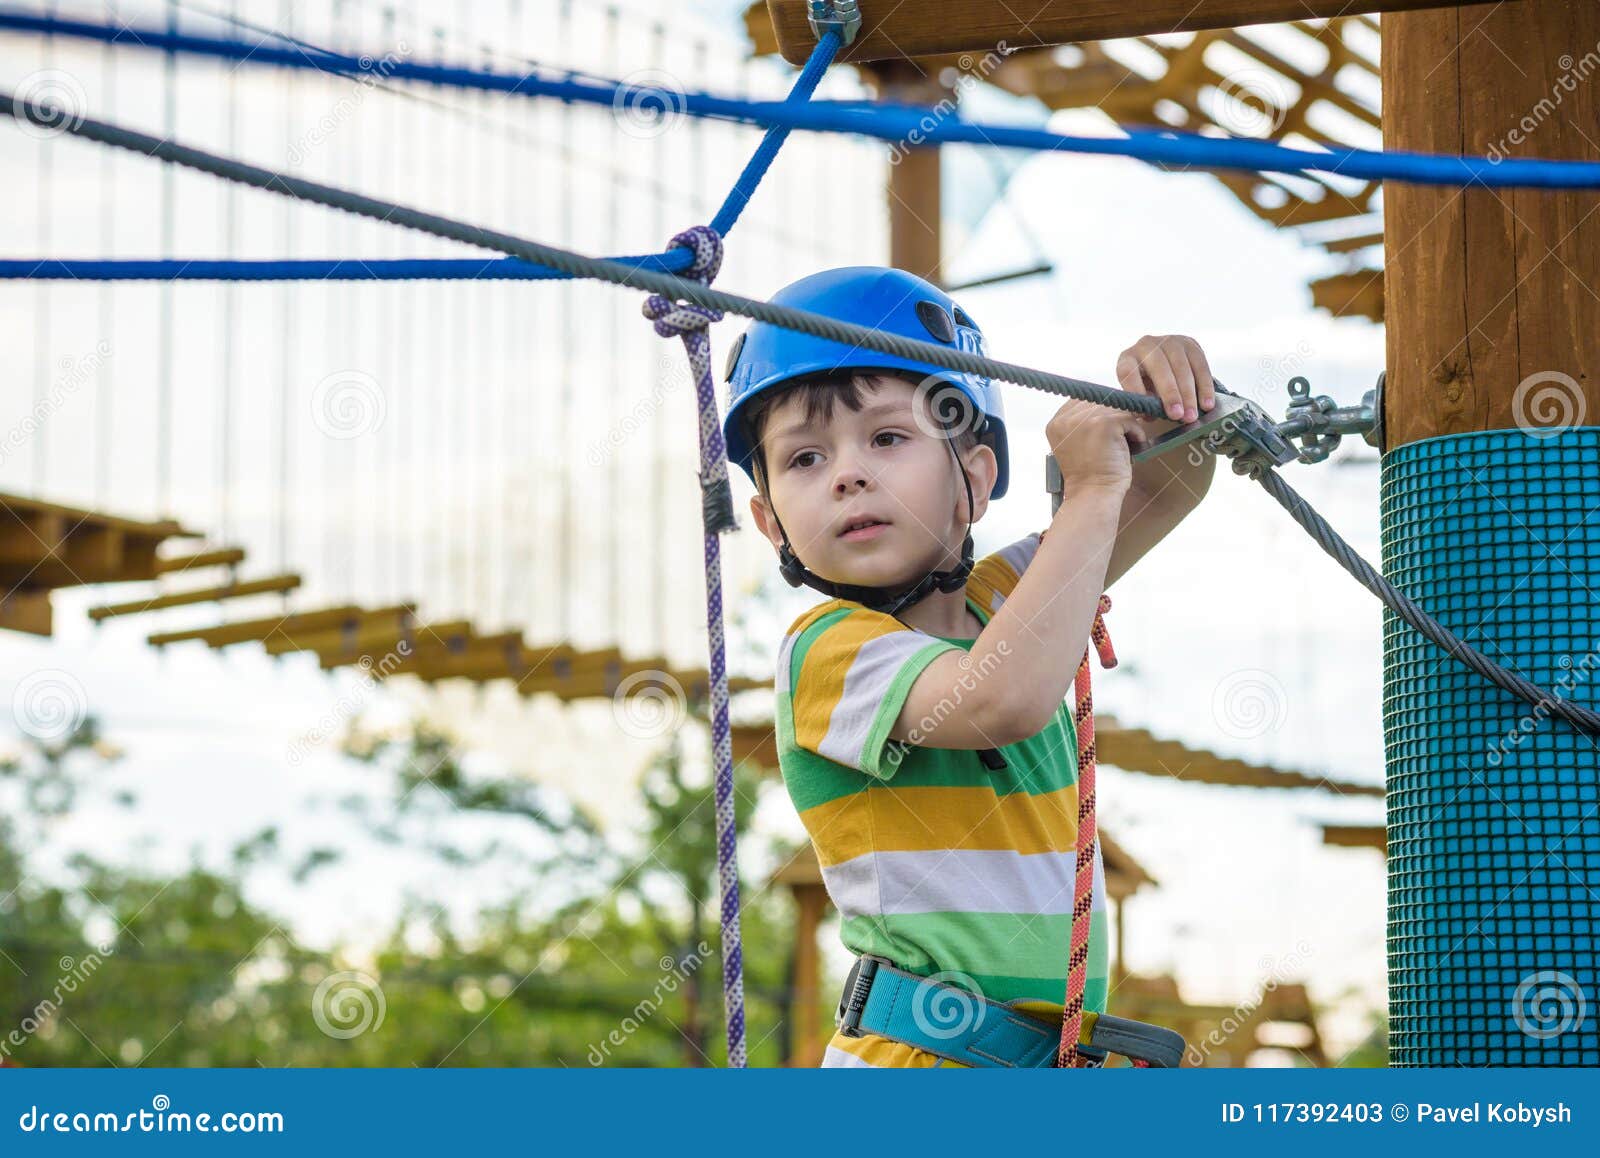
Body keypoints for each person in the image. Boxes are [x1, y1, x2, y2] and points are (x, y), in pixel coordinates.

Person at [723, 266, 1216, 1067]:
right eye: (805, 458)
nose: (848, 473)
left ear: (974, 480)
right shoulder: (826, 650)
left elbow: (1170, 487)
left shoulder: (1010, 601)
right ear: (770, 522)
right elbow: (1000, 698)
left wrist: (1184, 396)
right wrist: (1089, 487)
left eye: (887, 438)